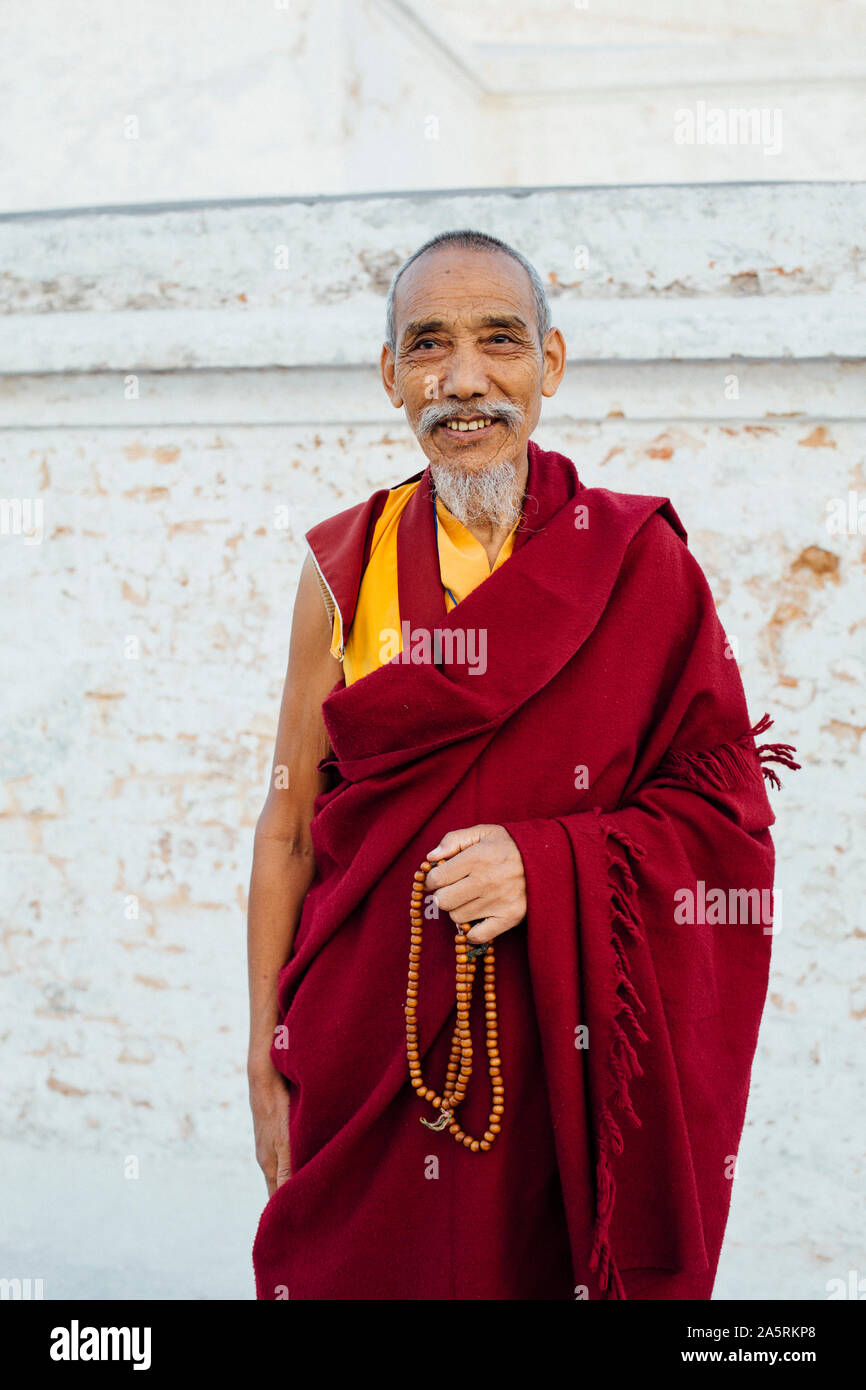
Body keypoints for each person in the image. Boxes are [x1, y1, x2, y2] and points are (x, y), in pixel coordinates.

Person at [248, 229, 799, 1300]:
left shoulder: (638, 562)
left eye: (498, 341)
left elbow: (724, 819)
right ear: (390, 375)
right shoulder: (341, 569)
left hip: (561, 1060)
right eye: (428, 346)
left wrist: (548, 863)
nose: (464, 381)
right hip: (366, 1055)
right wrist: (262, 1061)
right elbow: (285, 825)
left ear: (547, 364)